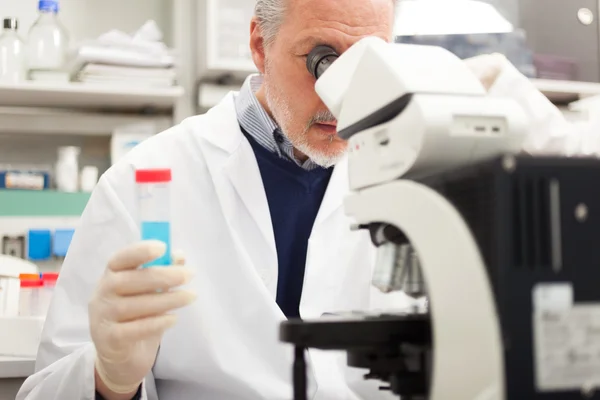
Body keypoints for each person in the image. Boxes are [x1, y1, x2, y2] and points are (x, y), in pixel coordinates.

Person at [16, 1, 599, 399]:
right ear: (258, 44)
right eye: (321, 59)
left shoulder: (418, 164)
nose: (339, 95)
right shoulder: (142, 182)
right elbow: (42, 388)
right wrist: (107, 377)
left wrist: (528, 127)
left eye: (368, 60)